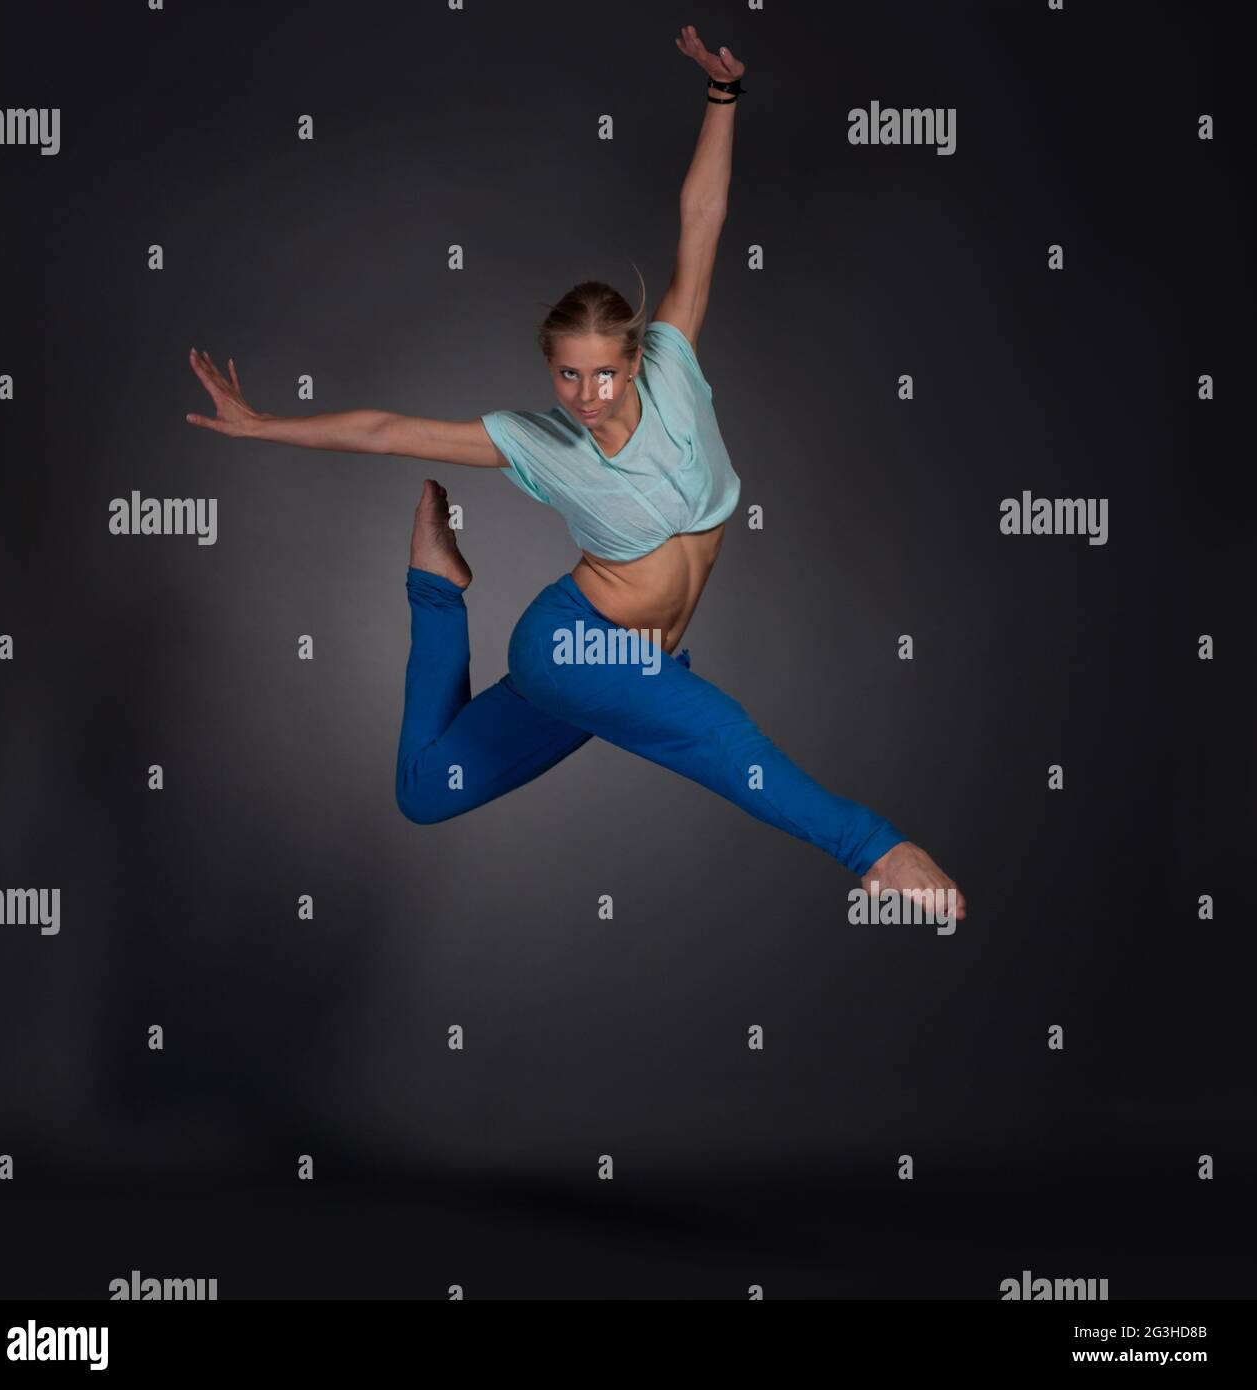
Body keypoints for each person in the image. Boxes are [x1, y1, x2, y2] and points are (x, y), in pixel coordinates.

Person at [187, 24, 966, 917]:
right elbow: (388, 428)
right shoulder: (537, 443)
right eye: (567, 374)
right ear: (550, 371)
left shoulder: (672, 362)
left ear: (633, 360)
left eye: (603, 371)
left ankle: (433, 584)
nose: (587, 393)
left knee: (427, 787)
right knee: (717, 733)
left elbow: (702, 218)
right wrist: (260, 426)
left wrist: (723, 98)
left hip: (630, 659)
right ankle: (878, 850)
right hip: (568, 645)